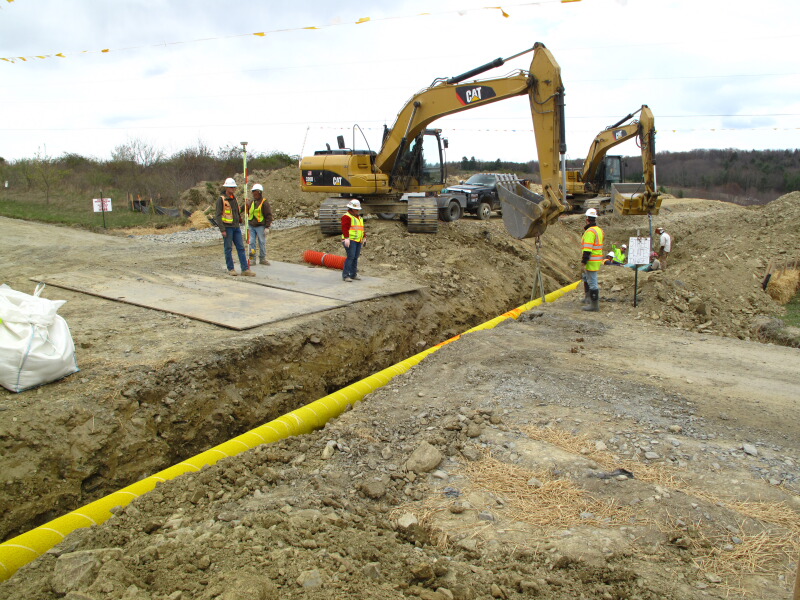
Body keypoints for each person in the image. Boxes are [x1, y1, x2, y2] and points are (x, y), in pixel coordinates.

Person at [215, 178, 255, 277]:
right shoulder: (221, 199)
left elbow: (237, 212)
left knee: (241, 248)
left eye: (234, 187)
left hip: (236, 227)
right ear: (227, 188)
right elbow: (218, 216)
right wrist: (222, 229)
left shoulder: (234, 199)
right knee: (228, 248)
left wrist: (244, 206)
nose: (233, 189)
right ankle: (231, 268)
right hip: (227, 228)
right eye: (231, 187)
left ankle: (245, 269)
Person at [580, 207, 604, 311]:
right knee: (586, 278)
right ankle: (588, 298)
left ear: (587, 219)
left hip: (591, 260)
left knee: (592, 281)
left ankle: (594, 305)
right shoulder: (599, 230)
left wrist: (583, 262)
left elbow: (587, 249)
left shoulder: (590, 232)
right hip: (596, 259)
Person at [246, 183, 273, 266]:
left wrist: (267, 227)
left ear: (260, 192)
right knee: (252, 243)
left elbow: (268, 215)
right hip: (251, 225)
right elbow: (245, 210)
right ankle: (252, 259)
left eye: (255, 192)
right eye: (253, 192)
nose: (254, 194)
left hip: (261, 226)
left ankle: (262, 258)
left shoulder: (264, 203)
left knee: (262, 242)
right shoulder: (251, 202)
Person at [341, 199, 365, 282]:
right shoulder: (346, 217)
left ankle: (353, 274)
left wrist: (364, 237)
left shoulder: (359, 218)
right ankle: (346, 275)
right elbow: (345, 228)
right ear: (351, 209)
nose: (358, 211)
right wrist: (347, 238)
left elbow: (361, 229)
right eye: (356, 209)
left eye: (358, 209)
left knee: (355, 258)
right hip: (350, 240)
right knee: (350, 257)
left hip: (358, 240)